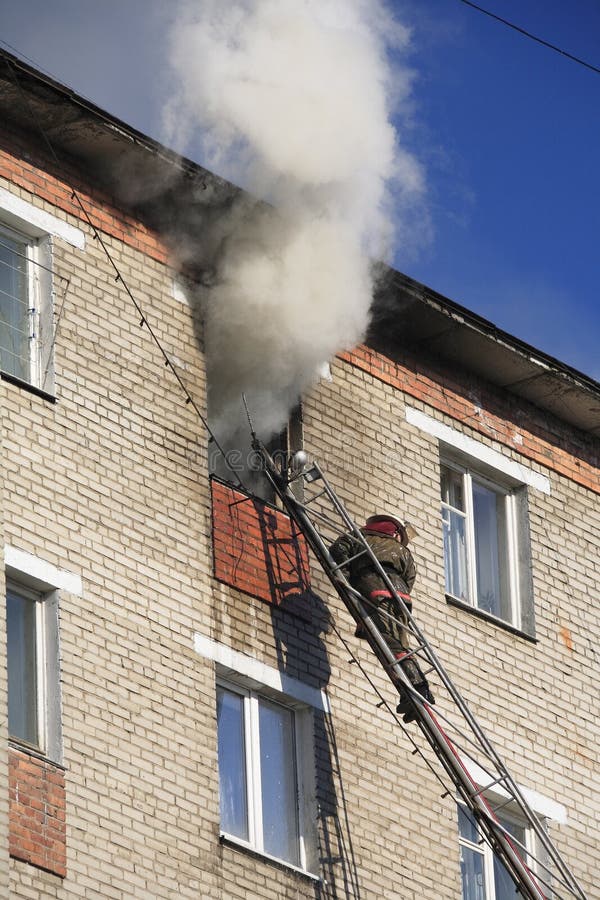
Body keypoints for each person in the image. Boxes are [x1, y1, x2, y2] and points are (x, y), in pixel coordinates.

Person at [330, 514, 434, 723]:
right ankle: (414, 689)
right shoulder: (403, 551)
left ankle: (417, 688)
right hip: (401, 596)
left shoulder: (359, 537)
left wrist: (348, 579)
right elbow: (410, 576)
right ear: (395, 532)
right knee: (400, 643)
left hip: (373, 588)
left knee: (388, 642)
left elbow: (337, 552)